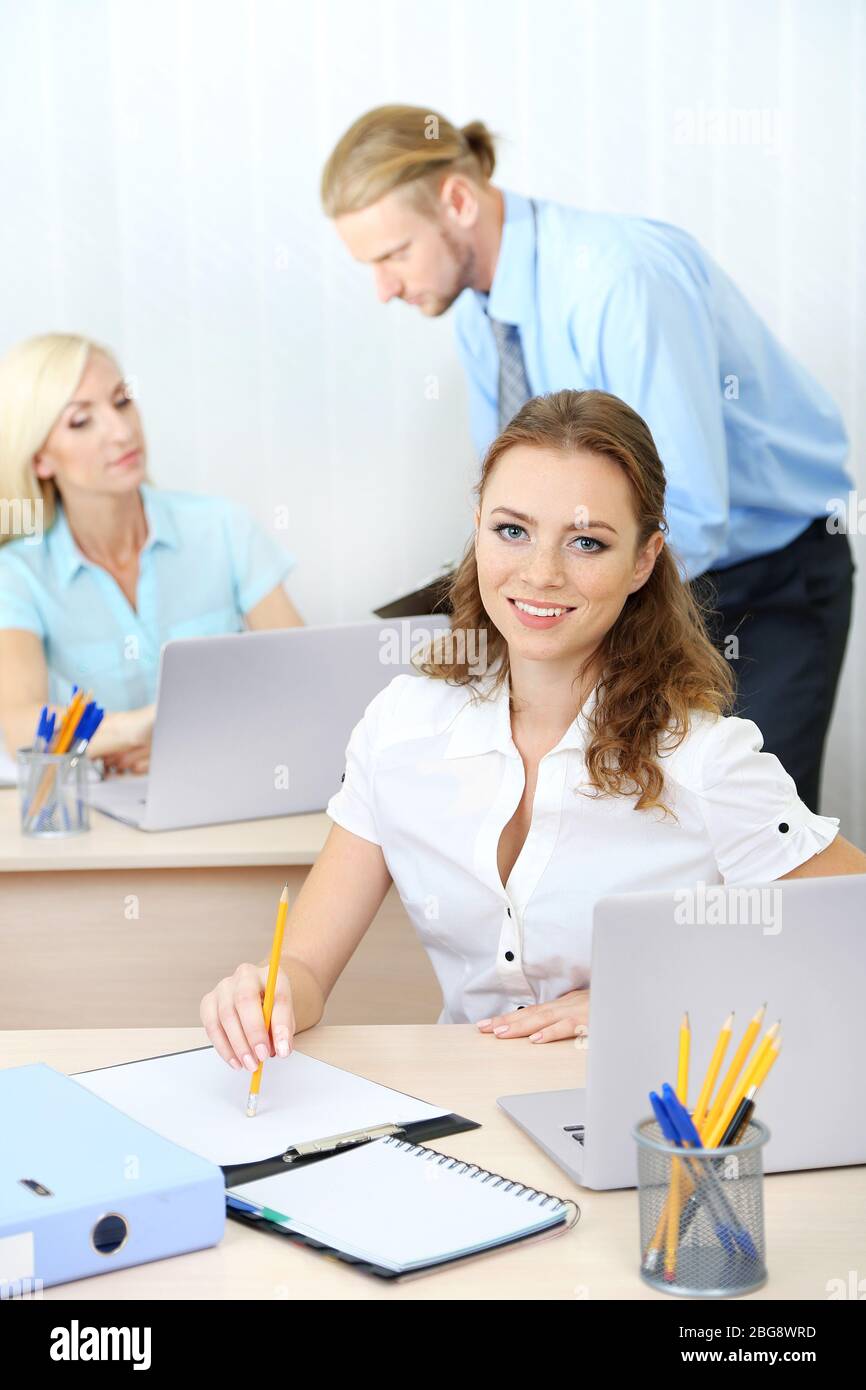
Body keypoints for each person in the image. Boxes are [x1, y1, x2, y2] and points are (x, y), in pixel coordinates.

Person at [199, 389, 866, 1071]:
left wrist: (650, 998)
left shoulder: (703, 758)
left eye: (586, 543)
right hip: (466, 1110)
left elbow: (852, 927)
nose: (541, 574)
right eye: (512, 531)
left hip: (641, 1113)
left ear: (643, 559)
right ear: (478, 527)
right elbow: (306, 968)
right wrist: (272, 990)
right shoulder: (401, 726)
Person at [320, 104, 856, 813]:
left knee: (754, 835)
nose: (384, 288)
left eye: (392, 255)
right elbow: (522, 493)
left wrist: (561, 622)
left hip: (765, 579)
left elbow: (690, 511)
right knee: (638, 831)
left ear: (456, 200)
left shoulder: (619, 282)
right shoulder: (481, 313)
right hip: (628, 579)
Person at [0, 334, 302, 771]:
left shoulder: (221, 527)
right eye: (82, 421)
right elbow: (22, 727)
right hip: (103, 824)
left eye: (122, 401)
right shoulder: (17, 574)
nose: (121, 433)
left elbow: (300, 676)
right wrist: (139, 728)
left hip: (227, 787)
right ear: (40, 459)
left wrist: (186, 740)